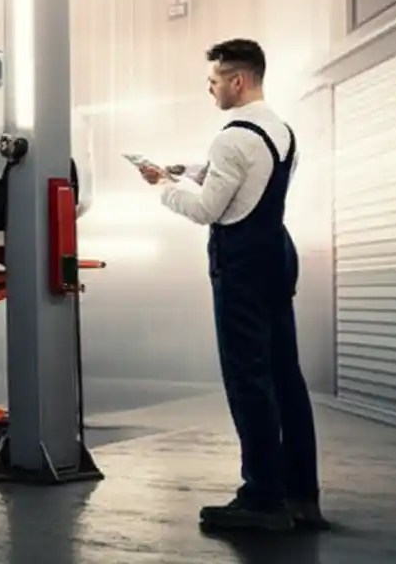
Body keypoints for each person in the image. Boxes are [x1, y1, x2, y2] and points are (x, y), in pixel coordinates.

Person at [137, 38, 327, 532]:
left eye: (214, 81)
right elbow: (248, 181)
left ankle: (262, 498)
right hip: (277, 258)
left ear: (237, 81)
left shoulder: (230, 137)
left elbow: (207, 211)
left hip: (241, 264)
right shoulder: (282, 132)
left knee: (248, 379)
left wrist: (162, 188)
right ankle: (301, 495)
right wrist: (187, 170)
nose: (211, 90)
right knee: (286, 376)